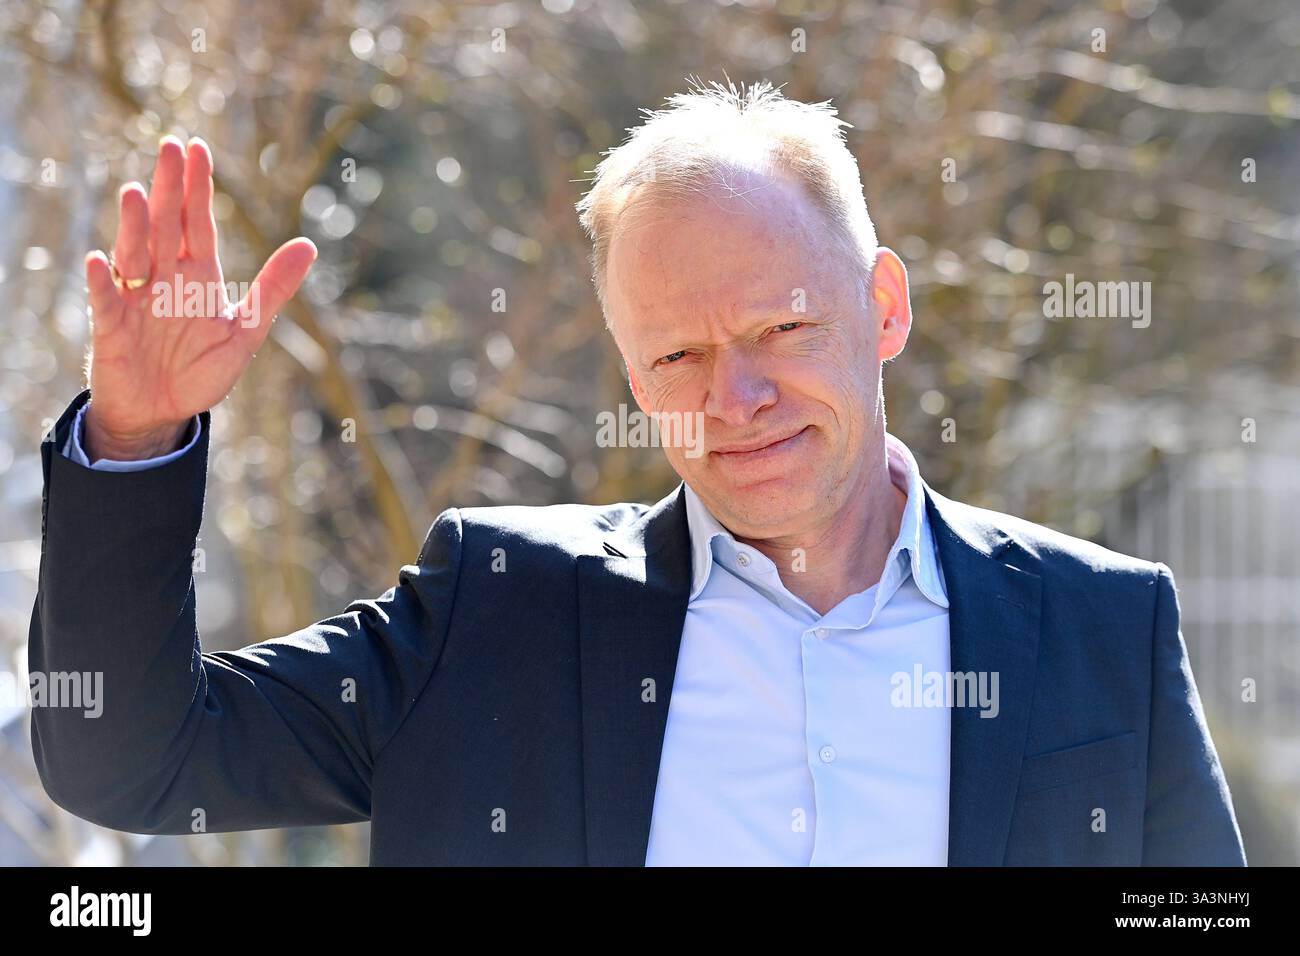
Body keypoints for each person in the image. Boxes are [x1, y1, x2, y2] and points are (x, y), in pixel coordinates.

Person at [29, 81, 1245, 865]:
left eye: (780, 330)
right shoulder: (493, 611)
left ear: (881, 308)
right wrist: (135, 435)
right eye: (678, 354)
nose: (738, 399)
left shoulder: (1100, 626)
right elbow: (133, 756)